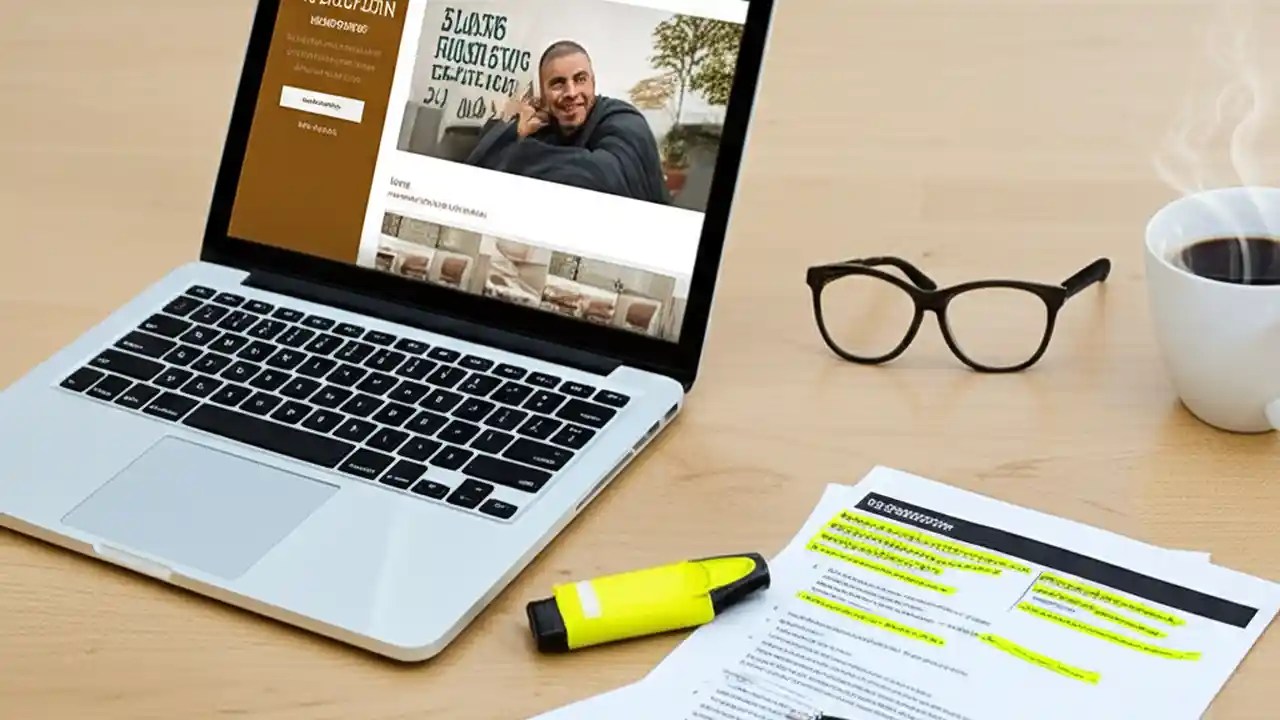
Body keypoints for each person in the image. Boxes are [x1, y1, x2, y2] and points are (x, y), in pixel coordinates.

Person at [465, 40, 671, 205]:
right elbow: (476, 170)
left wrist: (514, 150)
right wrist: (516, 131)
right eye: (558, 83)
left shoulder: (625, 120)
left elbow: (602, 179)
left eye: (580, 79)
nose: (571, 93)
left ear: (593, 82)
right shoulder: (546, 128)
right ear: (543, 95)